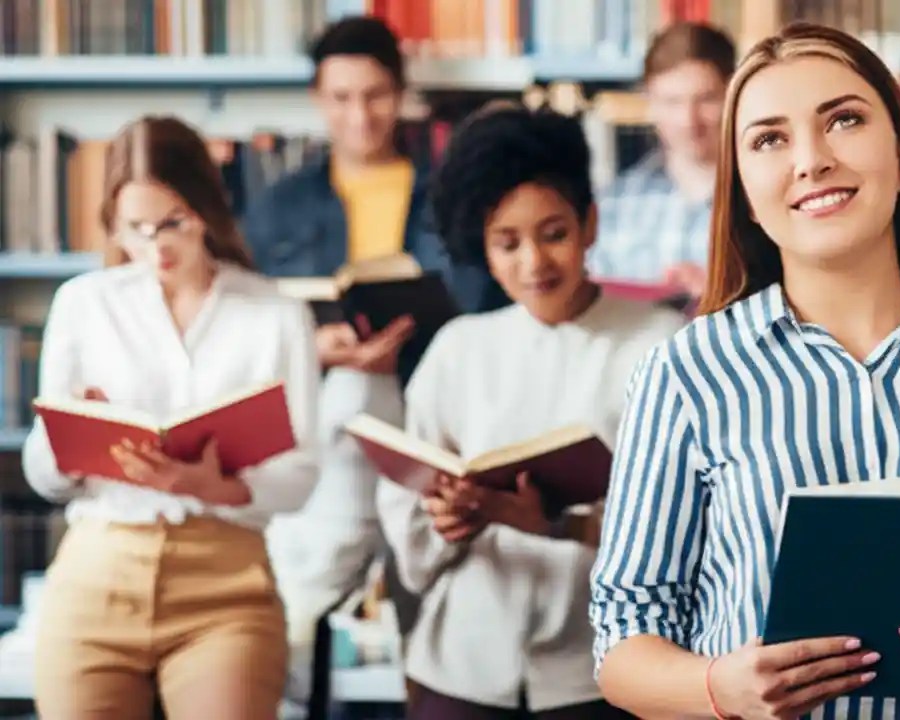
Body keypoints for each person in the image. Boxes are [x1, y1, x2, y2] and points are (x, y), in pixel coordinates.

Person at [589, 21, 900, 720]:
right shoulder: (685, 373)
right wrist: (718, 689)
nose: (811, 160)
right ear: (746, 194)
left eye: (843, 120)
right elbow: (621, 644)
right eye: (769, 139)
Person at [375, 104, 685, 720]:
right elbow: (408, 541)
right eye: (507, 243)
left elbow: (685, 535)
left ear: (590, 224)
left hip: (601, 677)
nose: (534, 264)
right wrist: (449, 519)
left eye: (554, 233)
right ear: (482, 249)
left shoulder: (659, 345)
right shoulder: (460, 348)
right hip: (461, 669)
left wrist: (556, 525)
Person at [242, 15, 508, 699]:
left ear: (402, 93)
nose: (360, 115)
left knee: (441, 619)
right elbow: (247, 334)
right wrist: (315, 349)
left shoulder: (451, 197)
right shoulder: (277, 207)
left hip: (433, 410)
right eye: (341, 98)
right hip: (329, 427)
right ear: (317, 100)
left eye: (376, 95)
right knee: (302, 601)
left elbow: (486, 310)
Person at [21, 116, 319, 719]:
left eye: (174, 222)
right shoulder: (84, 304)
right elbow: (44, 476)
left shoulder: (276, 315)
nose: (157, 245)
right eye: (135, 227)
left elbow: (301, 475)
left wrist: (219, 486)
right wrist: (72, 436)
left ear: (208, 207)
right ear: (113, 223)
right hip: (97, 570)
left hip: (226, 581)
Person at [587, 20, 735, 298]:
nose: (688, 120)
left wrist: (720, 294)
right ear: (650, 102)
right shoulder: (613, 204)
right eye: (672, 102)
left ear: (733, 95)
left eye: (706, 99)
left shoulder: (762, 201)